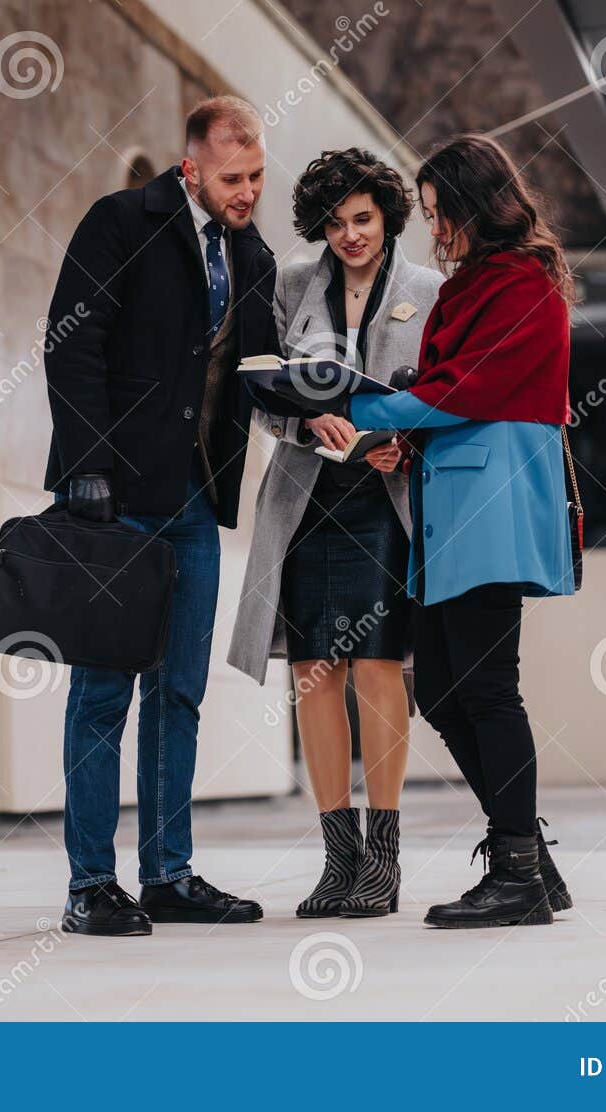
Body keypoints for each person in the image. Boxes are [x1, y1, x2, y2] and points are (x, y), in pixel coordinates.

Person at [41, 96, 275, 936]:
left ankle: (168, 874)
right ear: (191, 170)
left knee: (178, 692)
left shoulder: (253, 256)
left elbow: (260, 368)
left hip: (193, 504)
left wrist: (326, 411)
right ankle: (90, 887)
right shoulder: (121, 222)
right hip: (115, 499)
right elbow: (72, 346)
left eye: (255, 176)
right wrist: (88, 467)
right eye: (231, 178)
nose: (246, 191)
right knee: (102, 691)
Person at [346, 134, 577, 928]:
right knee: (443, 688)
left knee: (485, 687)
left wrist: (361, 407)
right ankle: (531, 861)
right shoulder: (471, 285)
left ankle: (516, 871)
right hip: (453, 501)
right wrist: (404, 434)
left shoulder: (525, 282)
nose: (436, 232)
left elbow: (472, 388)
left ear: (479, 207)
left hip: (497, 500)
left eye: (443, 215)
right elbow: (448, 391)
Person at [227, 148, 441, 918]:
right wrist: (306, 420)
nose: (350, 234)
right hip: (309, 495)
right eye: (335, 222)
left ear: (387, 216)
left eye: (362, 218)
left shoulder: (429, 291)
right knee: (313, 670)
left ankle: (382, 863)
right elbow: (258, 389)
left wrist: (402, 438)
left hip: (385, 498)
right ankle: (336, 859)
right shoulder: (290, 284)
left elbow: (446, 394)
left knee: (380, 665)